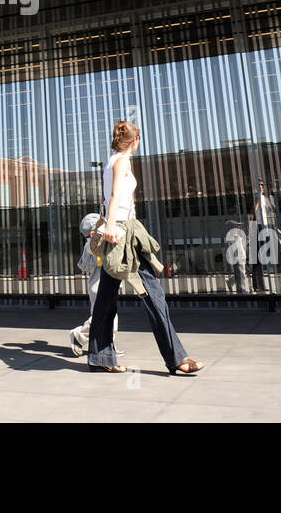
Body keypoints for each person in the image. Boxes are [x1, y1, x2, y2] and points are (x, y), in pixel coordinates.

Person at [86, 120, 202, 375]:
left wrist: (109, 225)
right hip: (122, 234)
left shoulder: (111, 161)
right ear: (135, 140)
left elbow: (108, 197)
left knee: (106, 299)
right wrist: (112, 227)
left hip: (122, 231)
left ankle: (100, 356)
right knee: (153, 294)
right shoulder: (122, 161)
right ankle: (176, 359)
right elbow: (115, 196)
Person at [70, 212, 121, 356]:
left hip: (105, 284)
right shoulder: (91, 246)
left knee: (110, 317)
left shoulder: (95, 244)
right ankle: (79, 335)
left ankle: (108, 346)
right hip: (98, 287)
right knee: (102, 317)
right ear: (93, 233)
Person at [250, 177, 281, 292]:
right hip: (260, 229)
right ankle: (258, 286)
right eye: (260, 185)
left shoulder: (270, 198)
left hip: (271, 228)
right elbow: (252, 213)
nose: (261, 187)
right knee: (258, 259)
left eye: (263, 185)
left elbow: (272, 214)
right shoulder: (257, 198)